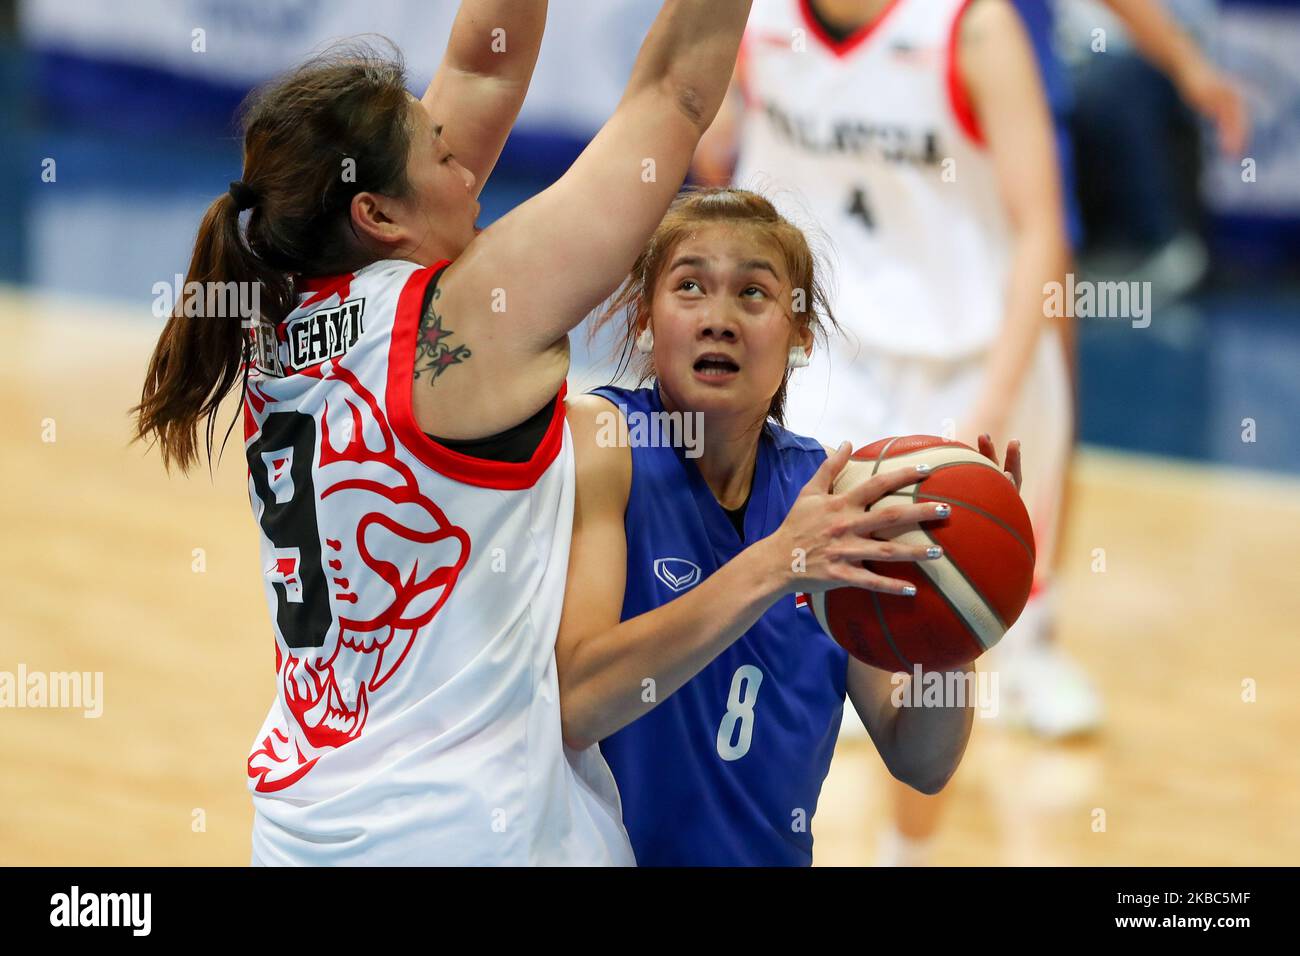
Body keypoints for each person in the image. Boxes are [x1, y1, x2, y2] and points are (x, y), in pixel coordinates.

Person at [132, 0, 754, 865]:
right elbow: (678, 99)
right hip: (465, 832)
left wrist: (445, 121)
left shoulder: (272, 307)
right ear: (380, 216)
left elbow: (482, 66)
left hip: (301, 828)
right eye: (442, 151)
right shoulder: (466, 322)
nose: (468, 159)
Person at [558, 187, 1024, 865]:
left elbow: (918, 760)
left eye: (753, 294)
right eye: (690, 286)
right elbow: (580, 700)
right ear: (645, 319)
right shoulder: (602, 439)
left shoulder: (834, 497)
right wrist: (778, 564)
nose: (719, 318)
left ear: (801, 334)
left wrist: (960, 610)